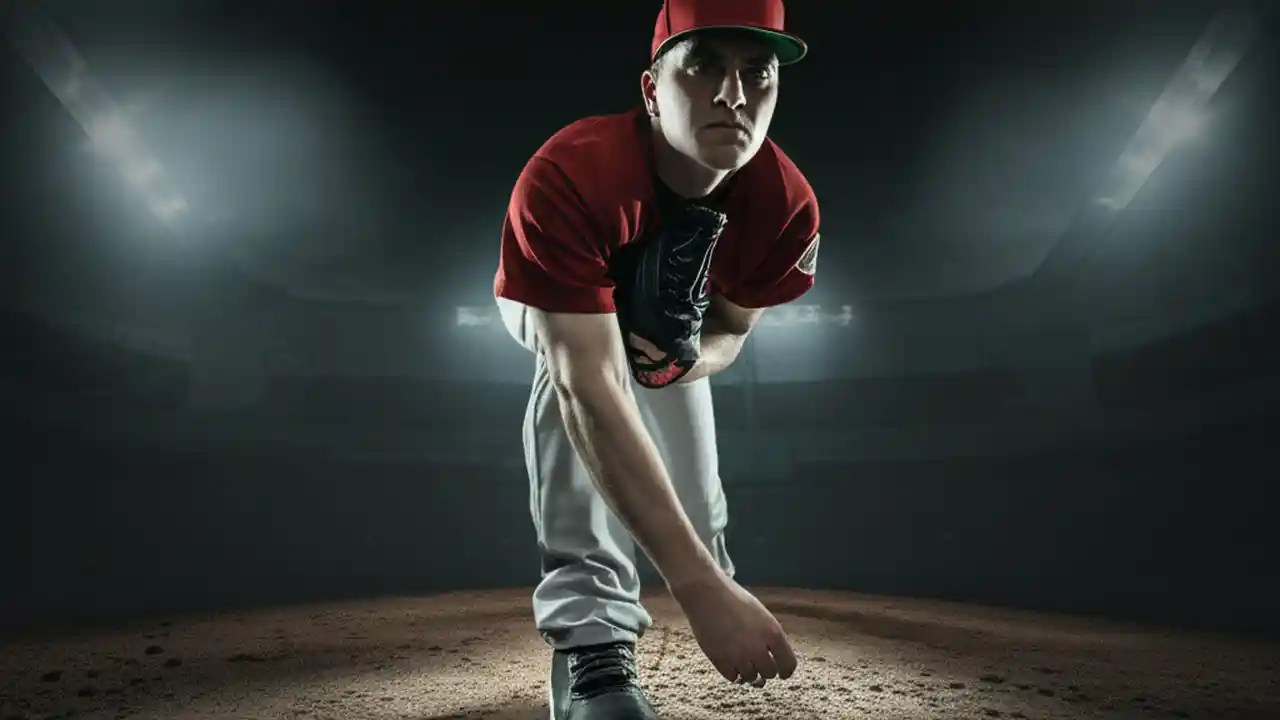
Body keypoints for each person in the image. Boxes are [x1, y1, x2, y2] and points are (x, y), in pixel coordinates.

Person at [492, 1, 821, 717]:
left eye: (757, 73)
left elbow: (730, 332)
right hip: (551, 307)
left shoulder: (785, 203)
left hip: (659, 341)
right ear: (651, 90)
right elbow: (589, 386)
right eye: (704, 66)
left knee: (697, 523)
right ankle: (591, 645)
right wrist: (699, 589)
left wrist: (683, 362)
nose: (733, 95)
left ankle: (700, 562)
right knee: (581, 371)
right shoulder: (573, 171)